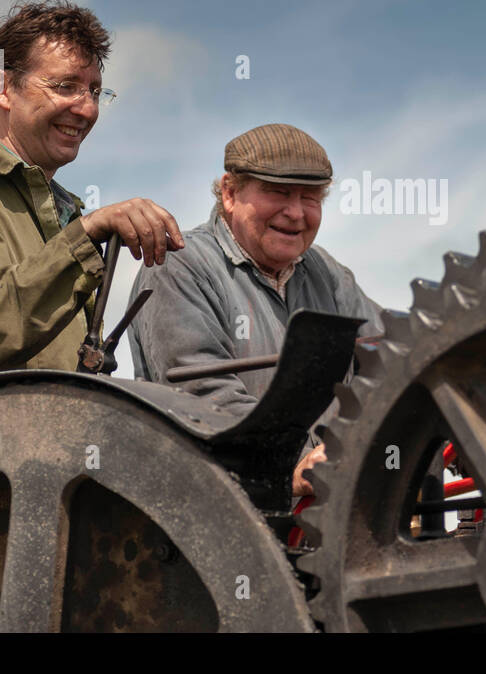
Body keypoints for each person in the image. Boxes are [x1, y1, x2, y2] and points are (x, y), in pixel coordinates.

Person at [0, 0, 183, 403]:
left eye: (96, 91)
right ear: (2, 88)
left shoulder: (65, 215)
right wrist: (87, 235)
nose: (87, 108)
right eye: (65, 86)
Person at [128, 124, 383, 496]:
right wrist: (298, 463)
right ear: (230, 193)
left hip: (321, 510)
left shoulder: (325, 273)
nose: (296, 213)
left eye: (310, 198)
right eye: (278, 193)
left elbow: (389, 353)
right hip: (215, 508)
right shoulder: (178, 267)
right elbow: (204, 397)